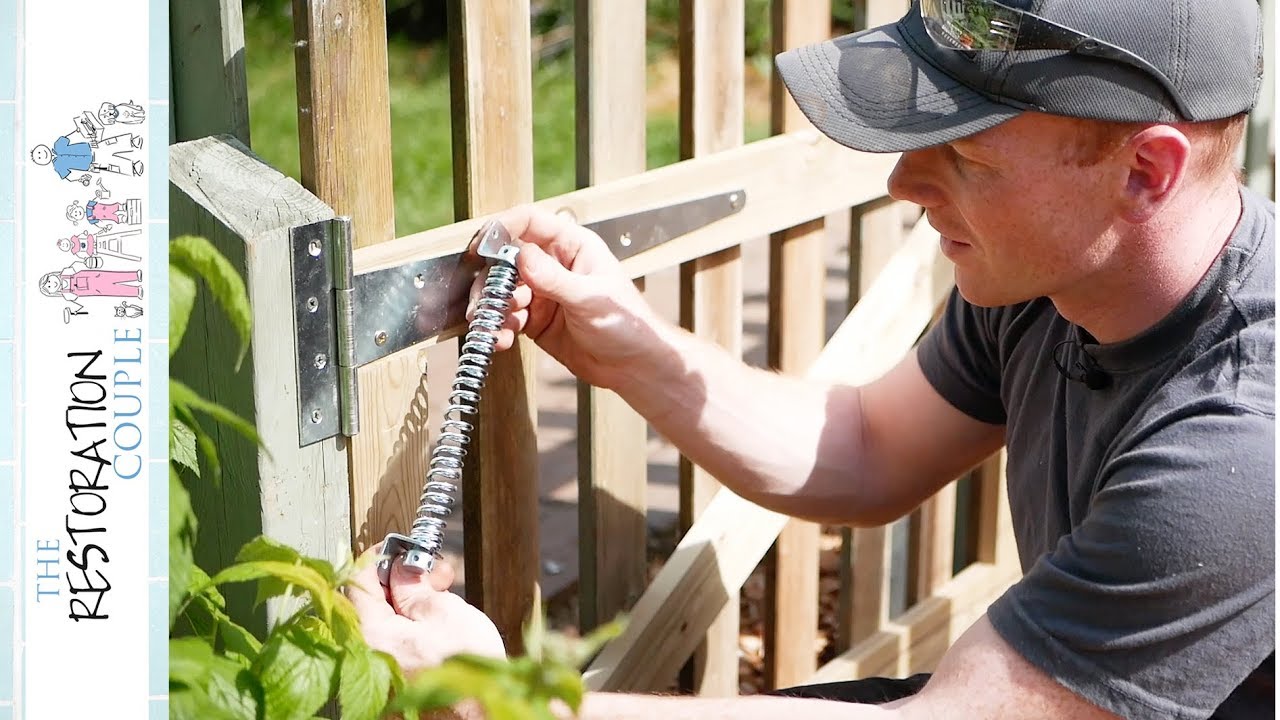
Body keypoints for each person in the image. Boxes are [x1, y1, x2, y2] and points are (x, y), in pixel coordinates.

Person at [351, 1, 1274, 718]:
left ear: (1146, 171)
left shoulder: (1237, 445)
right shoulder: (1052, 289)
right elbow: (866, 447)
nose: (904, 182)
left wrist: (484, 698)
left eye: (964, 156)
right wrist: (632, 350)